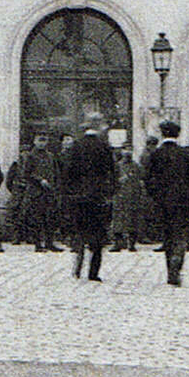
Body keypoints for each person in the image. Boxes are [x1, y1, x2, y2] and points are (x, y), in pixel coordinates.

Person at [62, 117, 117, 281]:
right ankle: (93, 273)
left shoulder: (76, 147)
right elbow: (112, 172)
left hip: (79, 196)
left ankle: (77, 268)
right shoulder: (104, 146)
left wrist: (69, 193)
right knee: (98, 235)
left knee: (79, 232)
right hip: (98, 196)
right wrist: (110, 193)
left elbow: (67, 173)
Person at [145, 120, 189, 286]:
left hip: (164, 201)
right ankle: (178, 259)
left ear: (162, 134)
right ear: (178, 134)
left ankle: (170, 270)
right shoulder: (186, 154)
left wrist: (155, 196)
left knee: (167, 234)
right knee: (180, 233)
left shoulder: (156, 154)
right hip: (183, 200)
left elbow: (148, 179)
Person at [19, 133, 62, 252]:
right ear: (34, 141)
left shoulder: (50, 156)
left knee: (50, 218)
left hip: (49, 192)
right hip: (36, 192)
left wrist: (56, 186)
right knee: (37, 219)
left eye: (44, 141)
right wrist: (39, 180)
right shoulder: (30, 156)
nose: (42, 143)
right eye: (40, 140)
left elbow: (56, 172)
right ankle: (38, 244)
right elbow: (26, 174)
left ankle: (49, 243)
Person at [109, 144, 146, 251]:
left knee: (132, 219)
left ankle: (132, 243)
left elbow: (142, 179)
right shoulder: (117, 166)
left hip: (133, 195)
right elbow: (112, 180)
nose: (127, 152)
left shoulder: (136, 166)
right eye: (125, 149)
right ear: (121, 151)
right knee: (118, 220)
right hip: (119, 195)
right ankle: (117, 243)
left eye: (130, 150)